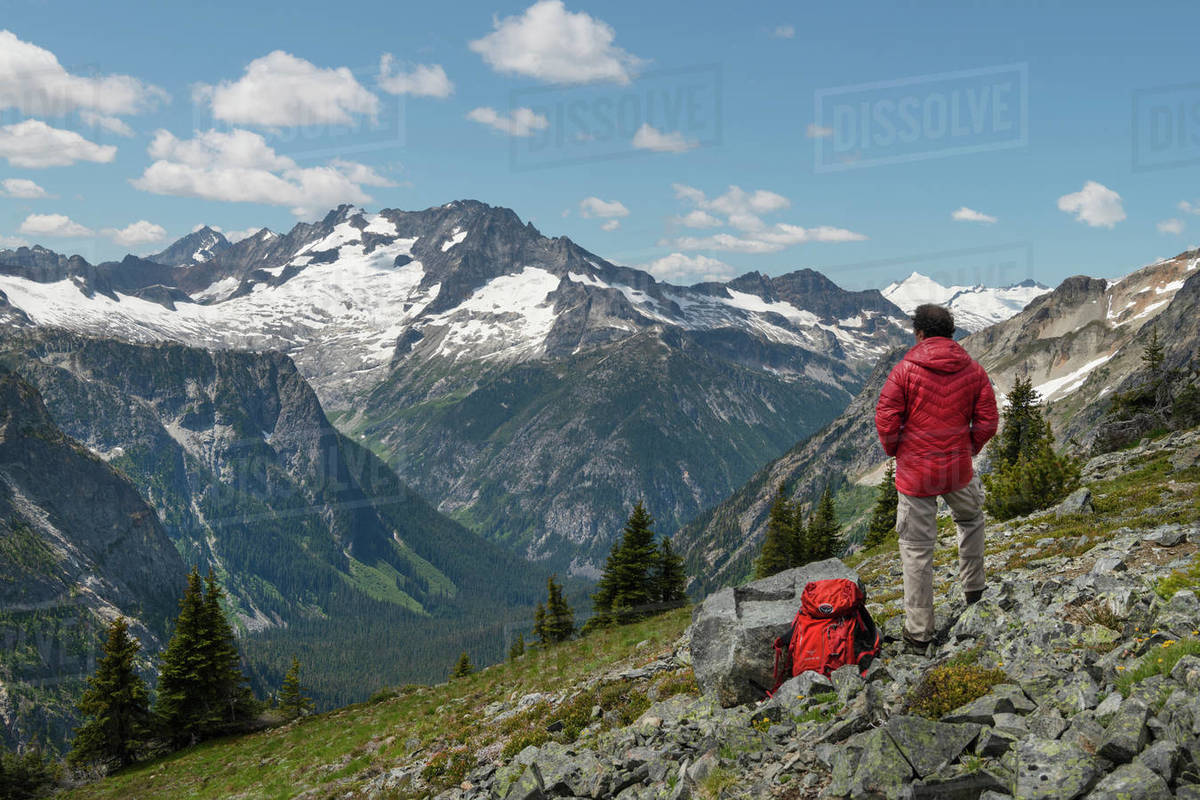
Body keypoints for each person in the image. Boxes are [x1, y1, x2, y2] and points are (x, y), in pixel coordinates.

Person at [874, 304, 998, 656]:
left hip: (917, 474)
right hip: (958, 469)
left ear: (919, 333)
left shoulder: (904, 371)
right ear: (951, 333)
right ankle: (974, 591)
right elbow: (988, 420)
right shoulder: (973, 370)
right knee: (971, 520)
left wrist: (899, 451)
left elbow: (886, 420)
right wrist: (967, 448)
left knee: (916, 549)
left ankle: (919, 634)